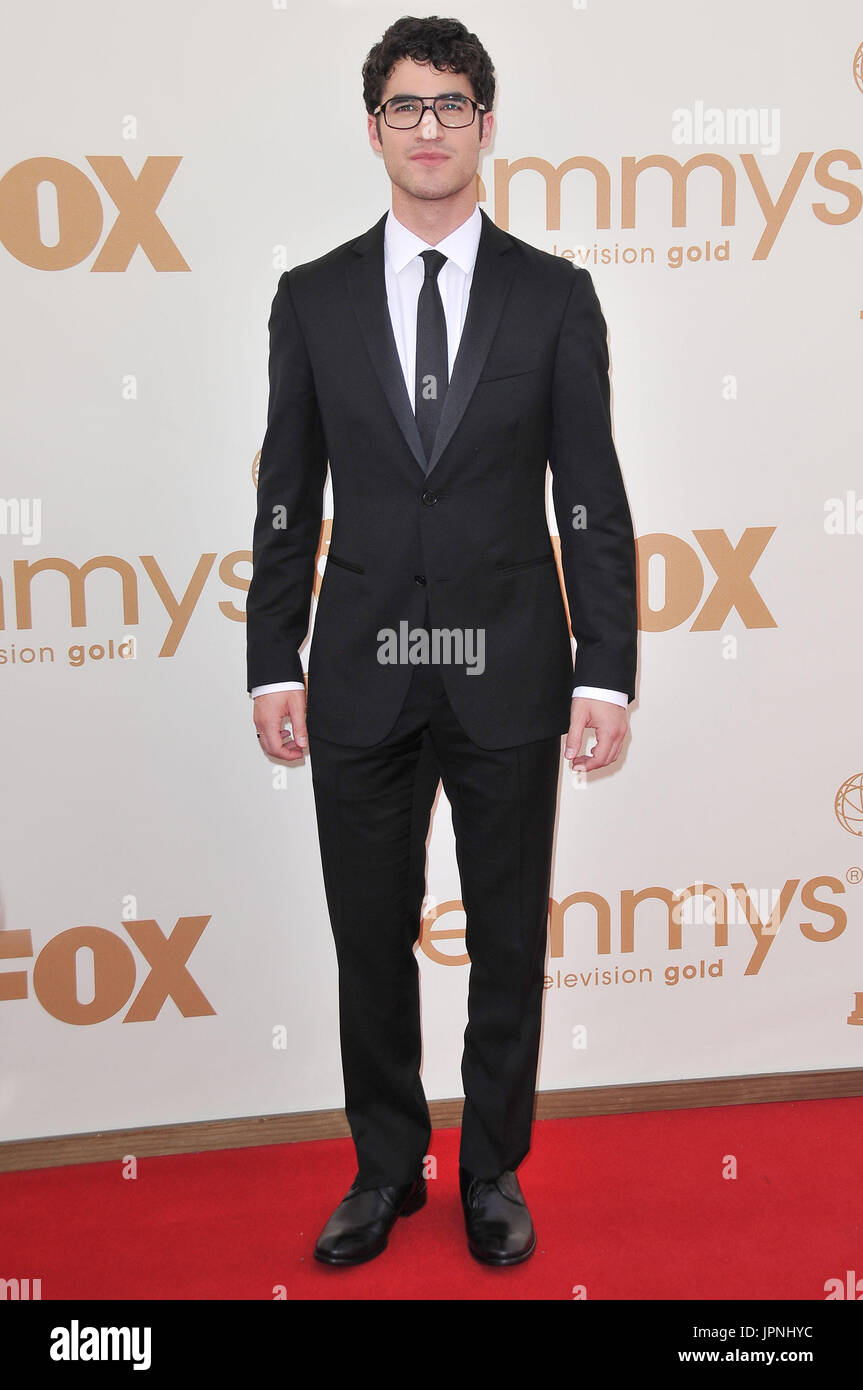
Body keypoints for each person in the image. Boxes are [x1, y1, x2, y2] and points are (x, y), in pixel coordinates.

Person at [246, 14, 637, 1267]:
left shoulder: (553, 295)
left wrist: (605, 665)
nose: (429, 128)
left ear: (483, 124)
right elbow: (284, 496)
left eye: (451, 105)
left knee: (508, 939)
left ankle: (491, 1174)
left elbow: (589, 493)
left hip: (512, 670)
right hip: (361, 673)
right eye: (406, 107)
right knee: (369, 935)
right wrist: (272, 654)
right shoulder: (308, 299)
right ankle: (382, 1169)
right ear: (374, 129)